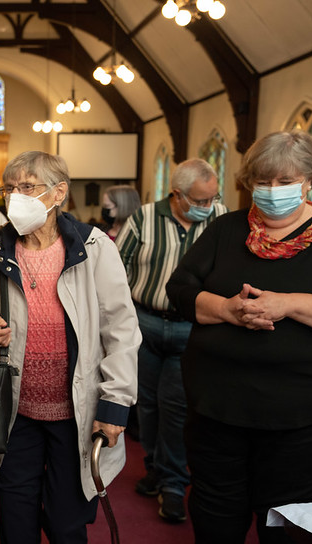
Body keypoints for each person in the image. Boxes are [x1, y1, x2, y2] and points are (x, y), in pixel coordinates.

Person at [165, 130, 312, 544]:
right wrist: (227, 309)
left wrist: (288, 304)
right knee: (215, 517)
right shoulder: (226, 228)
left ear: (309, 180)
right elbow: (180, 290)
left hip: (304, 420)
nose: (272, 190)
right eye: (262, 181)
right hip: (218, 410)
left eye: (285, 181)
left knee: (288, 527)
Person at [0, 151, 140, 544]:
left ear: (58, 193)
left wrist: (115, 405)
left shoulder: (94, 247)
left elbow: (121, 330)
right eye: (9, 188)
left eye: (27, 187)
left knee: (66, 524)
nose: (15, 197)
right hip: (15, 410)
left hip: (77, 413)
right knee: (15, 518)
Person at [115, 158, 227, 523]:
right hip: (145, 323)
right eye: (200, 200)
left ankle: (174, 484)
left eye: (212, 198)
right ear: (177, 195)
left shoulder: (220, 218)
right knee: (147, 405)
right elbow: (117, 269)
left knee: (176, 407)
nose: (208, 206)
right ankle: (155, 467)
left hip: (191, 328)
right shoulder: (144, 218)